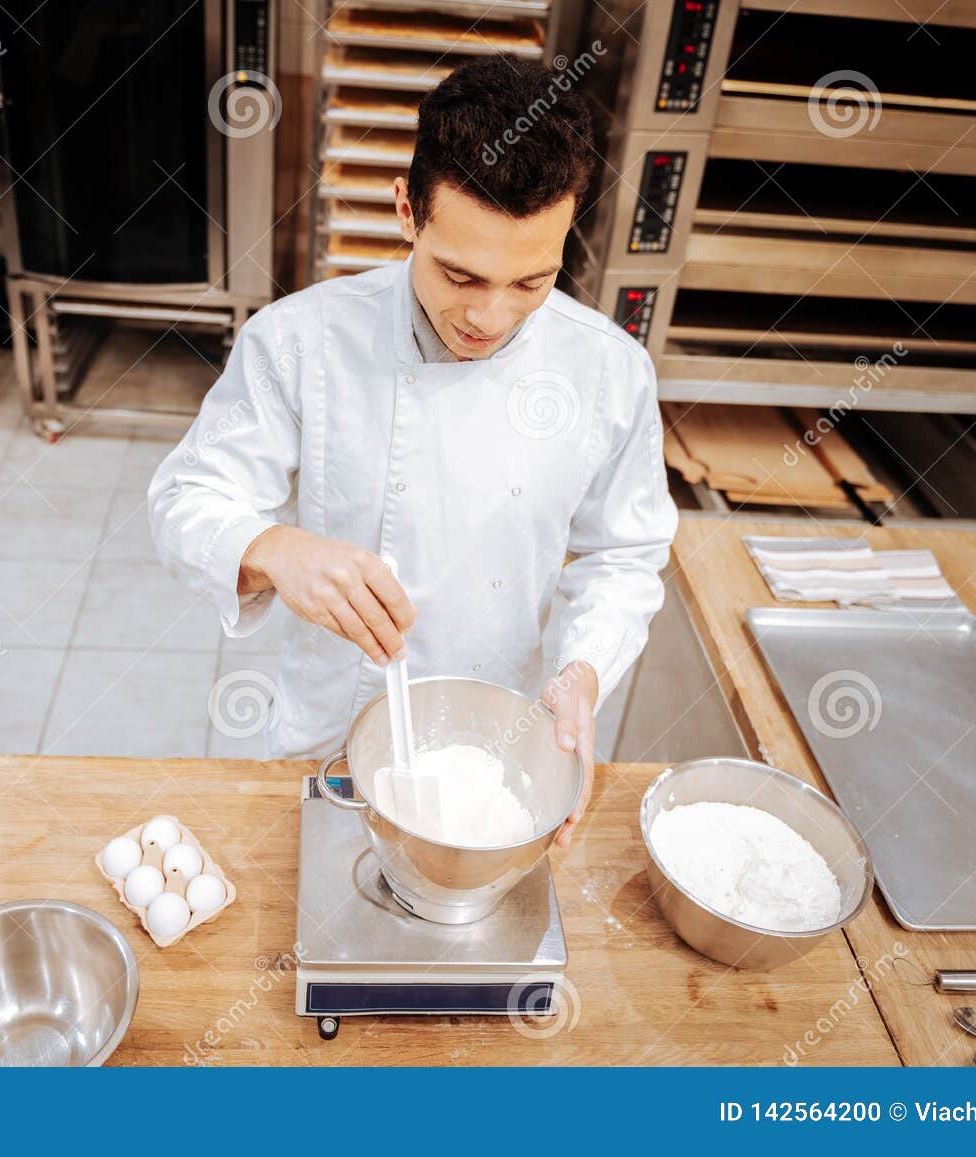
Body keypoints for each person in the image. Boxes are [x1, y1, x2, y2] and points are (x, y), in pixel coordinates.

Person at [150, 53, 677, 845]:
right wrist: (272, 547)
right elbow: (185, 498)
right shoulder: (301, 340)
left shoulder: (608, 372)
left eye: (531, 282)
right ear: (406, 209)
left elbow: (624, 556)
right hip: (329, 734)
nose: (491, 317)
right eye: (460, 275)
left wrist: (583, 670)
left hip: (501, 743)